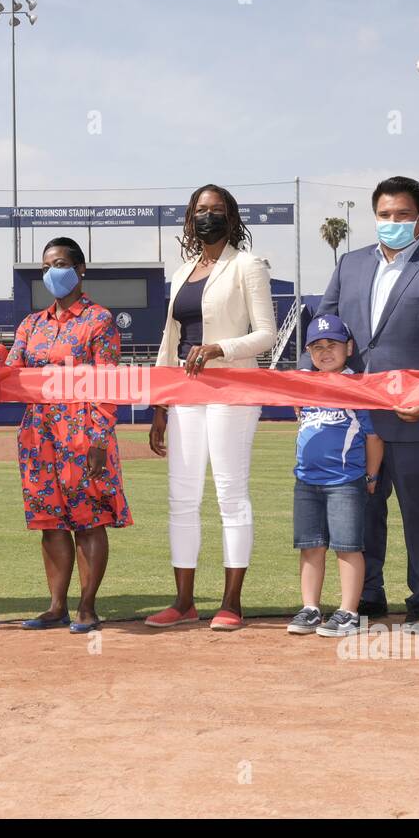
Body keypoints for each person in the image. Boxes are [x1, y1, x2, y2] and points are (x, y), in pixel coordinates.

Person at [317, 175, 419, 632]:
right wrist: (315, 391)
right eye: (385, 215)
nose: (393, 222)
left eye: (403, 215)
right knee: (363, 509)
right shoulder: (349, 265)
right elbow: (325, 333)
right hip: (358, 419)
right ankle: (368, 595)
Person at [144, 184, 277, 632]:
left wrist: (220, 347)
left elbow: (266, 334)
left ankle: (231, 603)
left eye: (217, 210)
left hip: (232, 389)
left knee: (229, 495)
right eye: (201, 210)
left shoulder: (247, 266)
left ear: (232, 216)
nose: (208, 216)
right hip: (183, 393)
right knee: (181, 499)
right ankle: (183, 602)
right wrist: (159, 407)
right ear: (189, 218)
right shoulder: (182, 272)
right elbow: (168, 342)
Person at [6, 237, 131, 634]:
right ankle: (56, 606)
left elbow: (107, 383)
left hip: (83, 432)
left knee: (89, 519)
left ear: (80, 270)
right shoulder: (31, 324)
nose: (50, 273)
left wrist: (98, 438)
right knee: (50, 522)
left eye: (58, 263)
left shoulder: (99, 320)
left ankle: (88, 608)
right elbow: (9, 372)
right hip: (38, 432)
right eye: (45, 266)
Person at [286, 315, 384, 638]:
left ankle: (349, 611)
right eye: (317, 347)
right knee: (311, 547)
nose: (325, 352)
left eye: (333, 345)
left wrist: (370, 477)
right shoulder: (306, 385)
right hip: (307, 481)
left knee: (347, 546)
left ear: (349, 347)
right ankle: (311, 607)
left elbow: (373, 437)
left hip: (344, 482)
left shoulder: (358, 386)